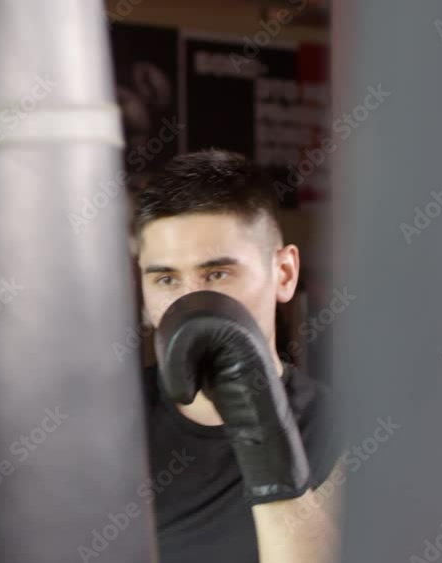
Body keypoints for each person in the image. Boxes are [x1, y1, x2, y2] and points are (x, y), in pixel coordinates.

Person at [133, 150, 343, 563]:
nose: (190, 302)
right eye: (166, 279)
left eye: (217, 274)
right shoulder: (109, 424)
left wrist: (259, 418)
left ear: (284, 274)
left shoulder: (342, 430)